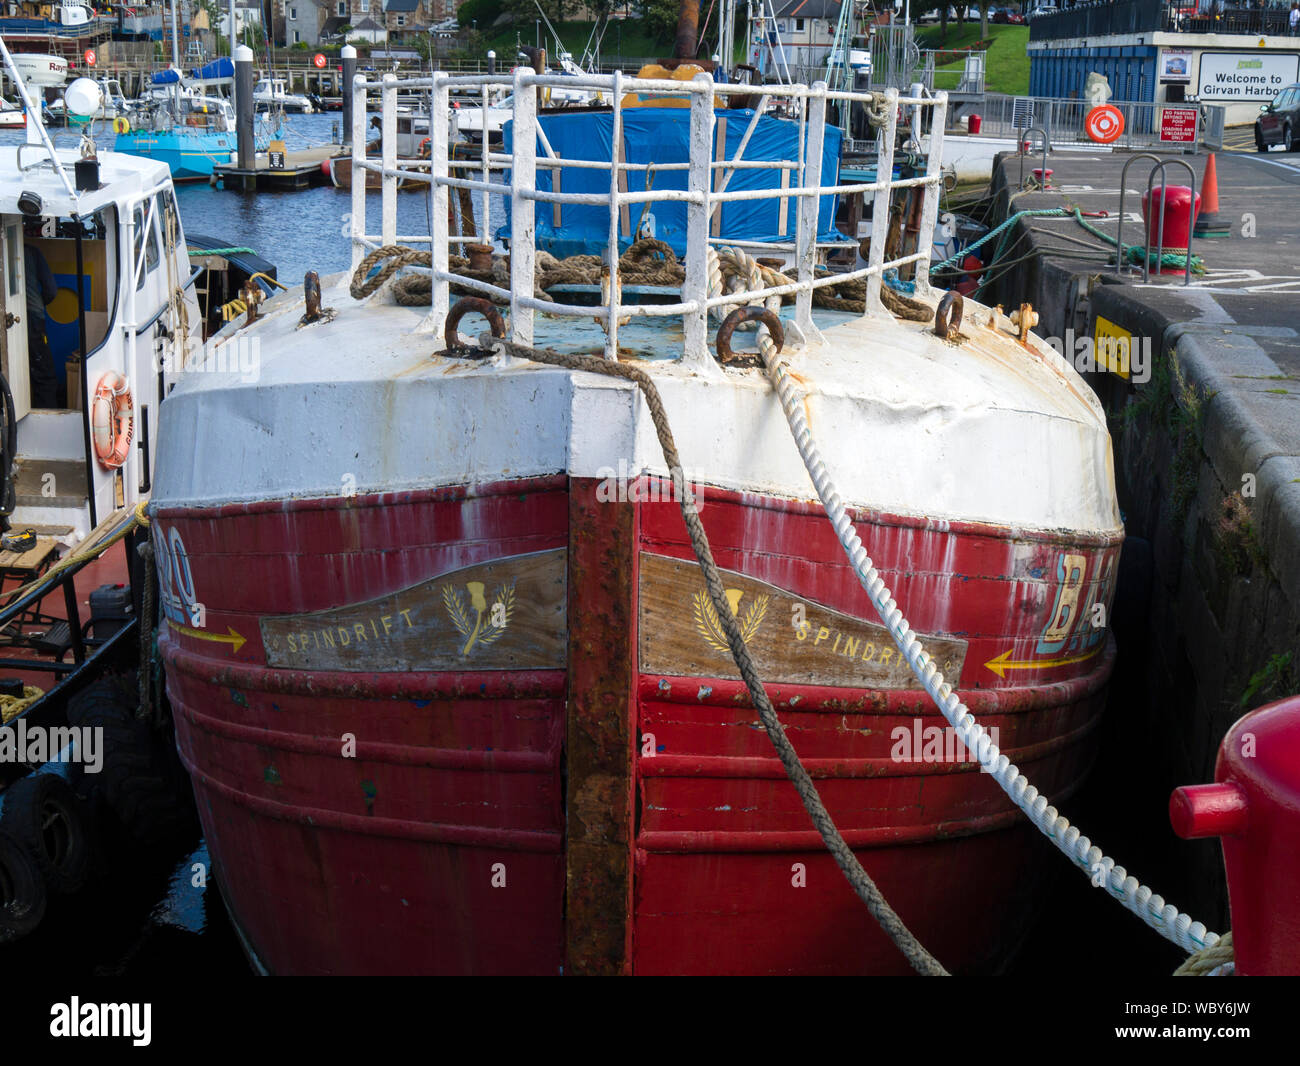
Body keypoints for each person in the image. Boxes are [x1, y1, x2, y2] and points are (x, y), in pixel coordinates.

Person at [23, 220, 58, 409]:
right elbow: (51, 291)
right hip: (33, 320)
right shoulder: (32, 252)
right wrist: (38, 303)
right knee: (45, 375)